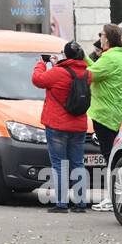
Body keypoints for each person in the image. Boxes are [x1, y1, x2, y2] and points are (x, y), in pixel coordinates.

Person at [32, 41, 93, 213]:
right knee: (77, 163)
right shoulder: (87, 74)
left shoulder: (58, 72)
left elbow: (38, 79)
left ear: (66, 56)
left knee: (59, 164)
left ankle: (61, 203)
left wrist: (41, 64)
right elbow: (69, 75)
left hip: (57, 125)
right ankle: (80, 203)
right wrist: (55, 64)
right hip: (79, 126)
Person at [86, 24, 122, 212]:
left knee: (109, 158)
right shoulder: (120, 56)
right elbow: (95, 69)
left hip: (104, 113)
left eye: (101, 35)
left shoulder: (110, 58)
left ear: (108, 38)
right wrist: (82, 57)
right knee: (111, 156)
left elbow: (89, 75)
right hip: (113, 111)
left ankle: (114, 197)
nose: (100, 38)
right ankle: (116, 196)